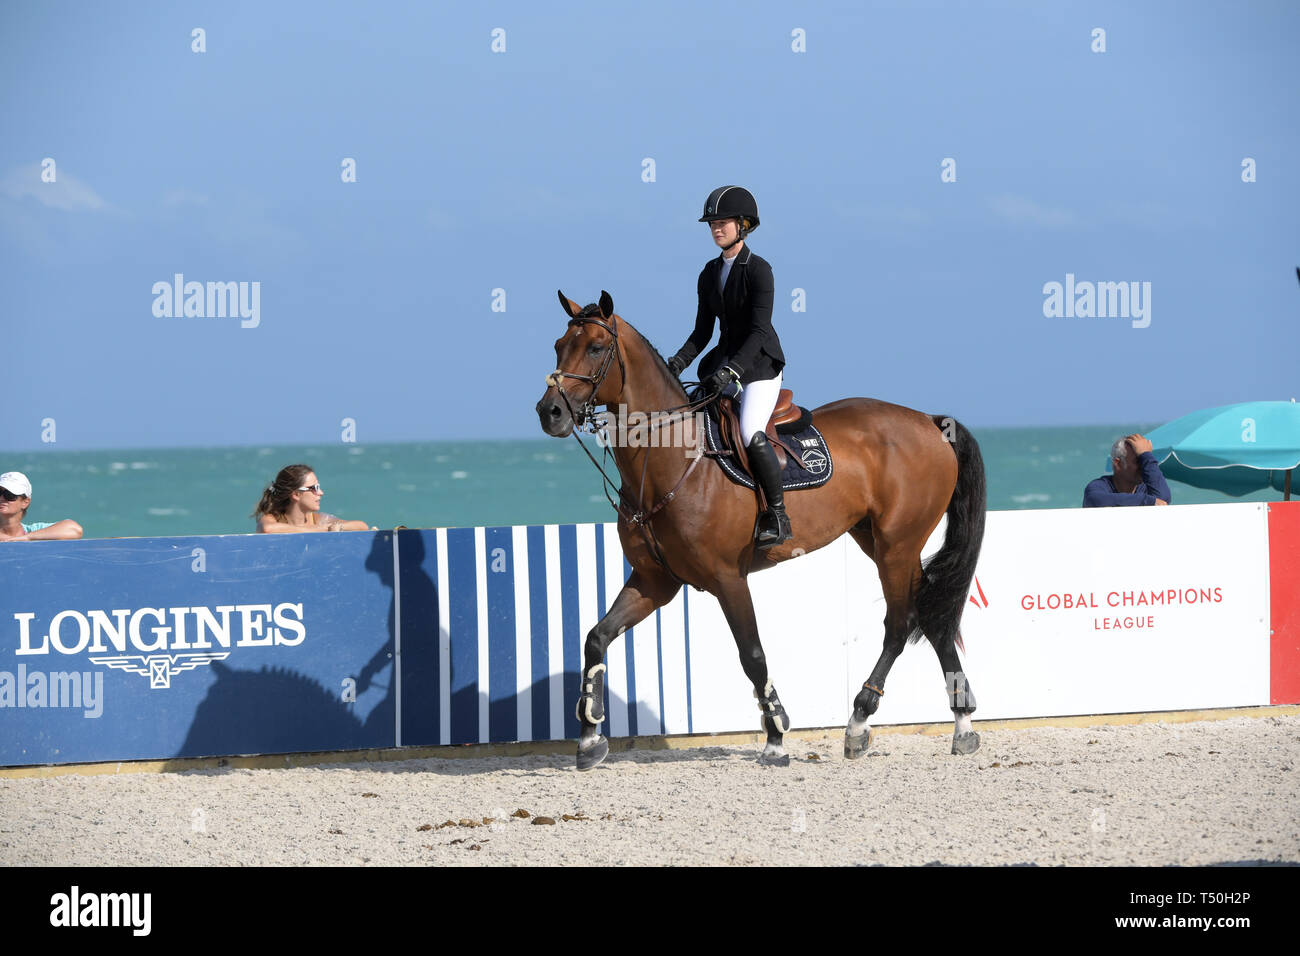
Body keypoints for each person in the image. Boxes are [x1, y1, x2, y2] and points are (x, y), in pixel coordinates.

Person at [666, 185, 791, 548]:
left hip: (760, 364)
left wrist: (733, 370)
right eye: (712, 224)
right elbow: (703, 330)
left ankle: (778, 514)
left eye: (723, 223)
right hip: (723, 361)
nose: (716, 229)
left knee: (751, 429)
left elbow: (759, 330)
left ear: (744, 225)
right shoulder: (708, 273)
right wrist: (675, 362)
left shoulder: (759, 270)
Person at [252, 464, 371, 533]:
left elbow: (362, 526)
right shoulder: (273, 518)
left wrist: (339, 527)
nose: (320, 493)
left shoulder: (319, 519)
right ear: (296, 494)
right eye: (314, 488)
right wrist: (319, 530)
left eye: (318, 487)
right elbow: (267, 529)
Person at [1082, 434, 1172, 507]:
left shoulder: (1145, 490)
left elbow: (1163, 500)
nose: (1143, 465)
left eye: (1144, 460)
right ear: (1118, 464)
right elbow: (1095, 500)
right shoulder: (1099, 486)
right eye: (1138, 461)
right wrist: (1146, 501)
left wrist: (1146, 455)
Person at [0, 471, 84, 541]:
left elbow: (75, 529)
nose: (1, 498)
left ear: (25, 502)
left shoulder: (33, 531)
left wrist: (27, 537)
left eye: (9, 495)